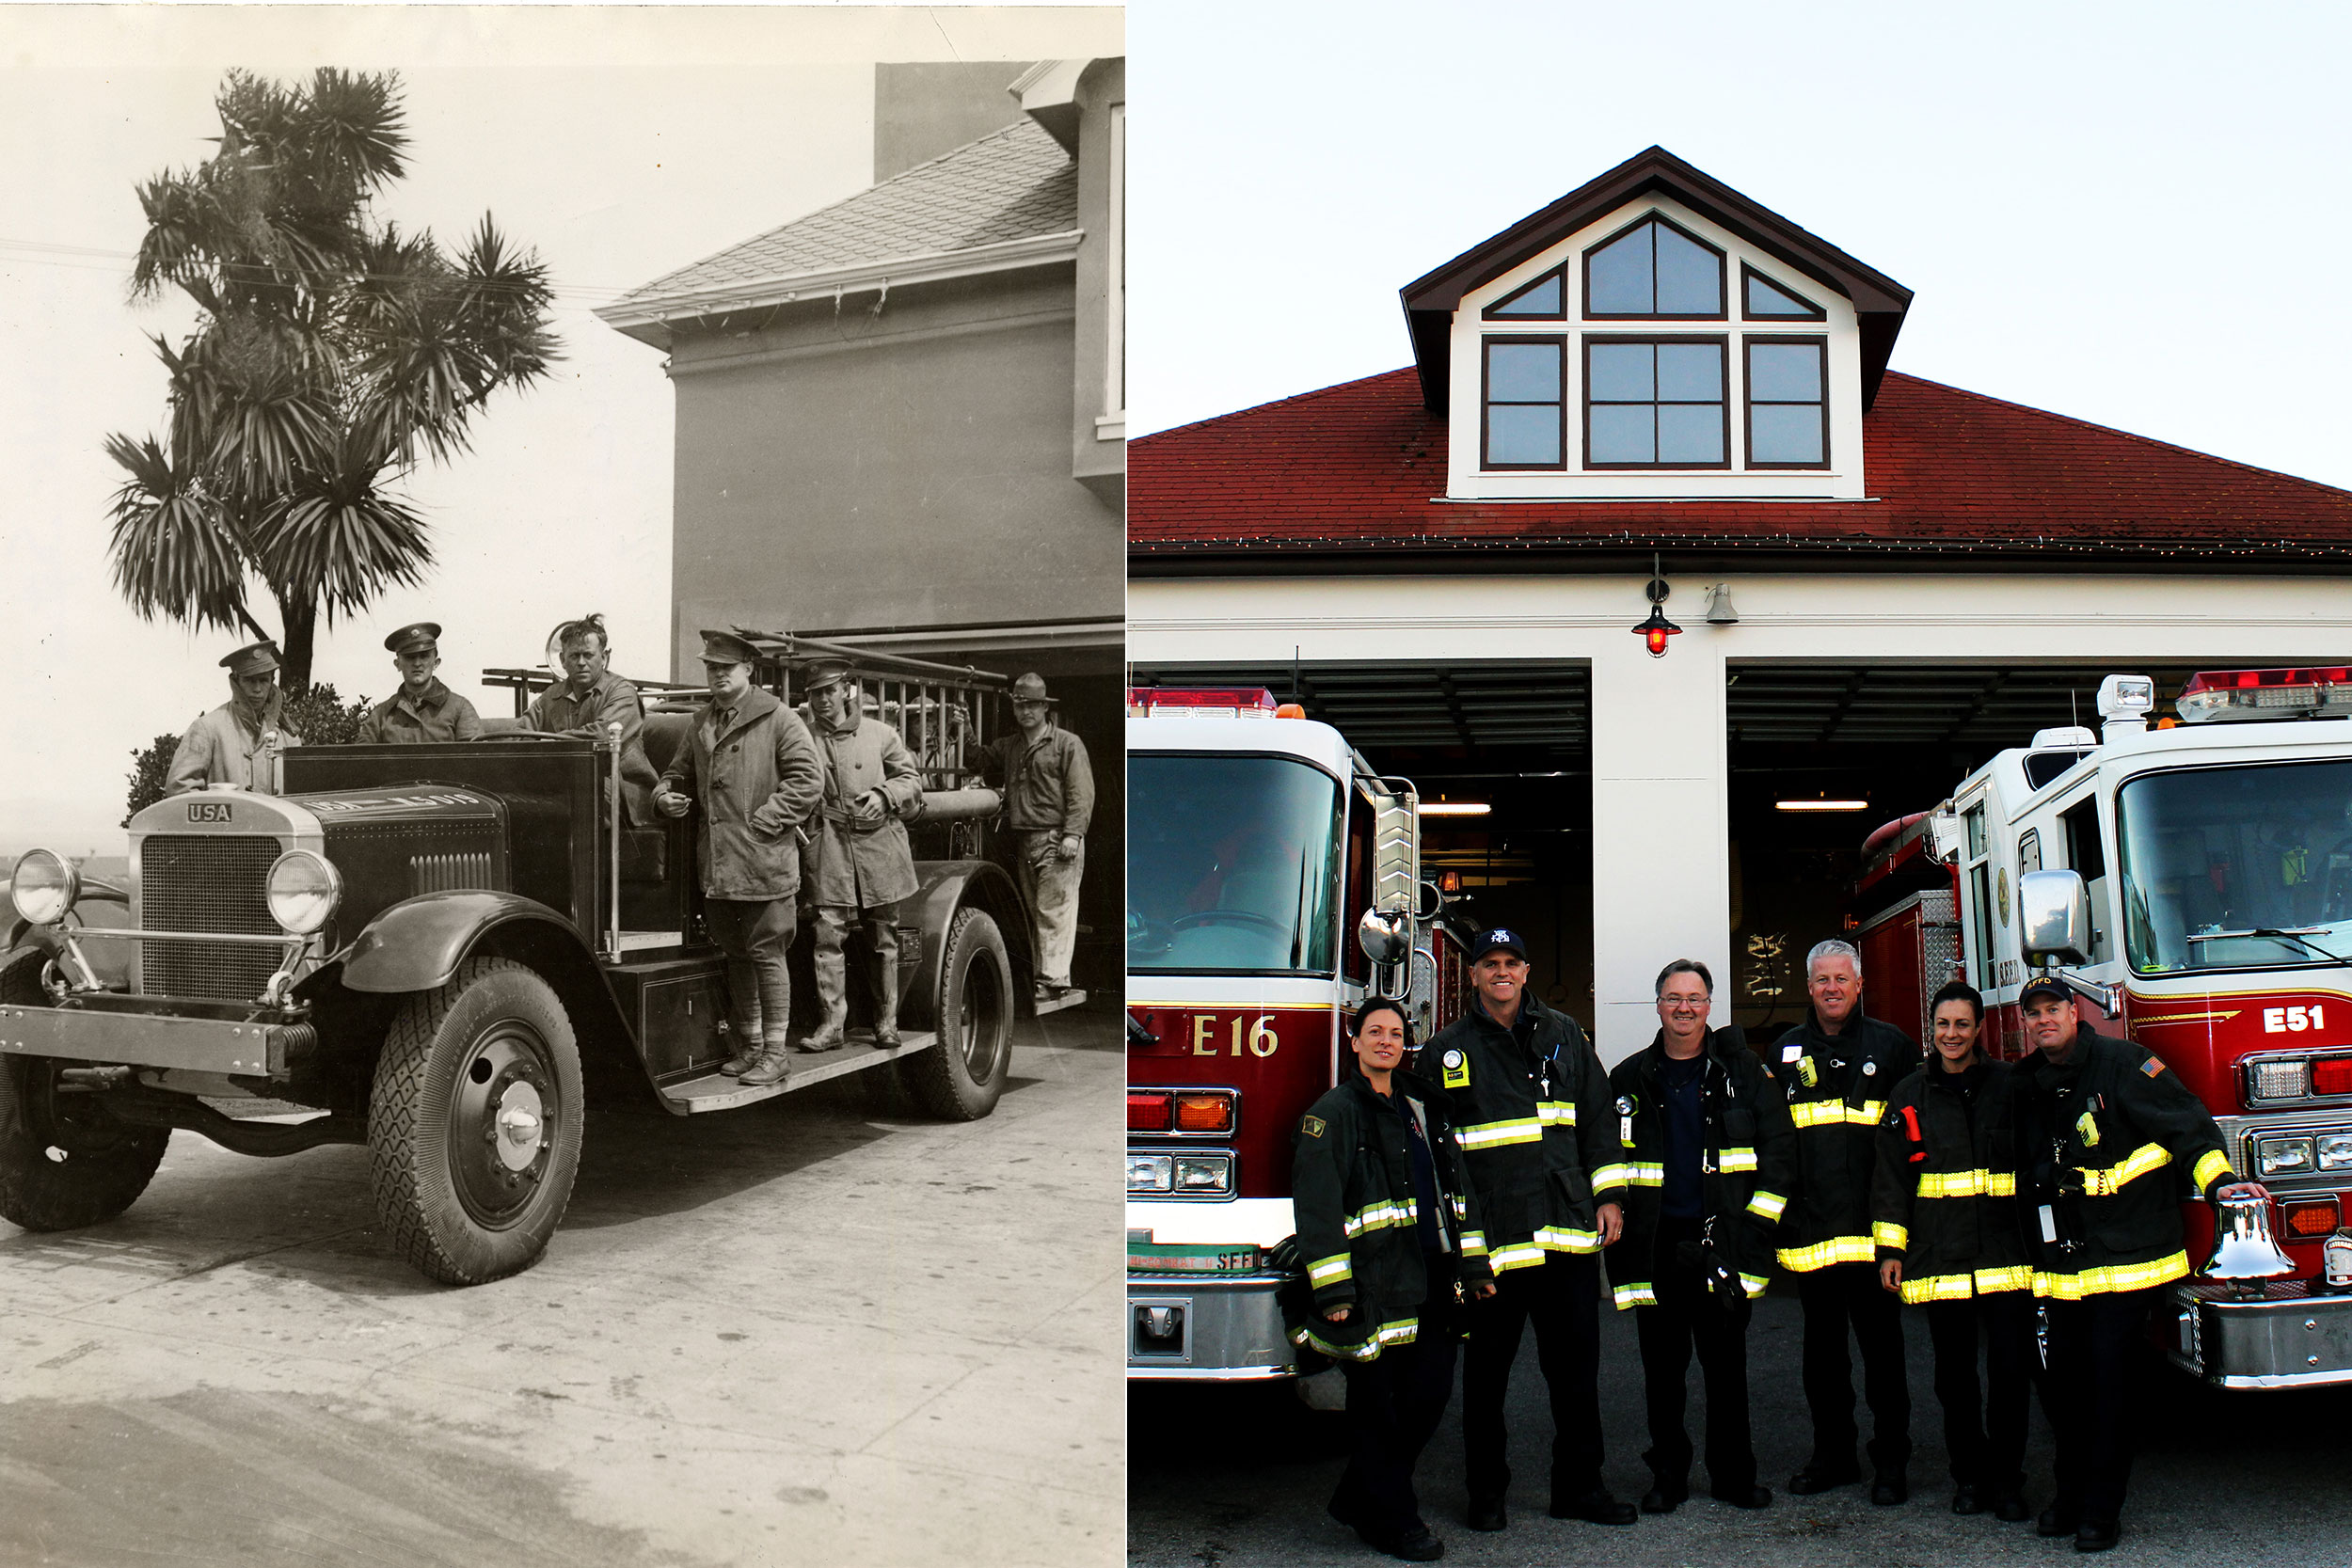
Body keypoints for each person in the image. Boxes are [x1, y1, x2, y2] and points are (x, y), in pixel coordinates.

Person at [2010, 974, 2266, 1553]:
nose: (2045, 1019)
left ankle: (2101, 1511)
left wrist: (2219, 1184)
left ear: (2077, 1014)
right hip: (2060, 1268)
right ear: (2024, 1023)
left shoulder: (2128, 1065)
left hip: (2129, 1264)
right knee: (2065, 1391)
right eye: (2035, 1013)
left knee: (2109, 1390)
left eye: (2055, 1009)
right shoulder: (2025, 1084)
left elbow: (2190, 1131)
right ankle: (2069, 1496)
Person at [1426, 929, 1634, 1533]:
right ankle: (1486, 1494)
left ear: (1525, 970)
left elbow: (1598, 1118)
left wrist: (1610, 1194)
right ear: (1472, 976)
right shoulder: (1446, 1051)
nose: (1501, 972)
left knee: (1575, 1375)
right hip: (1493, 1245)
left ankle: (1580, 1488)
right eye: (1489, 964)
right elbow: (1441, 1159)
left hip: (1566, 1235)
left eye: (1511, 962)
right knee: (1486, 1380)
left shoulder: (1564, 1034)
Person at [1292, 998, 1497, 1563]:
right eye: (1374, 1032)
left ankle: (1361, 1498)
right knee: (1376, 1409)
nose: (1386, 1041)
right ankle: (1394, 1521)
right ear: (1353, 1041)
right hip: (1372, 1285)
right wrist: (1334, 1292)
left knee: (1428, 1397)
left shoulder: (1422, 1105)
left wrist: (1474, 1268)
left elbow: (1460, 1193)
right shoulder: (1331, 1115)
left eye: (1396, 1033)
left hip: (1432, 1275)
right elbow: (1317, 1208)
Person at [1606, 958, 1792, 1514]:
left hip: (1723, 1246)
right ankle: (1668, 1476)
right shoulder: (1628, 1078)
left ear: (1710, 1006)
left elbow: (1780, 1157)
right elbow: (1606, 1157)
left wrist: (1757, 1226)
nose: (1683, 1007)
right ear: (1657, 1004)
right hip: (1657, 1246)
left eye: (1695, 997)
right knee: (1663, 1374)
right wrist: (1611, 1204)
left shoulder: (1744, 1074)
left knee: (1726, 1370)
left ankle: (1734, 1476)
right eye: (1672, 997)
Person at [1871, 980, 2035, 1522]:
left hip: (2006, 1255)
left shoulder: (2012, 1086)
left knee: (2011, 1376)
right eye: (1943, 1024)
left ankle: (2009, 1482)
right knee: (1955, 1379)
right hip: (1940, 1259)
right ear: (1931, 1028)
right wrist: (1890, 1251)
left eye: (1962, 1024)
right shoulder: (1907, 1095)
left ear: (1979, 1028)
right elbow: (1890, 1180)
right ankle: (1970, 1479)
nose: (1952, 1035)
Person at [1773, 938, 1917, 1503]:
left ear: (1859, 985)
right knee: (1822, 1361)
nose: (1831, 988)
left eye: (1842, 979)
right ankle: (1832, 1456)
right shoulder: (1784, 1052)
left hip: (1875, 1234)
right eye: (1821, 980)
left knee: (1885, 1357)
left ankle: (1891, 1463)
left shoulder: (1894, 1047)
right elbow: (1774, 1146)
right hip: (1813, 1237)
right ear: (1807, 988)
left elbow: (1913, 1144)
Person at [652, 631, 823, 1089]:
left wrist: (766, 820)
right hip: (720, 868)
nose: (717, 674)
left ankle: (774, 1052)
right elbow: (675, 773)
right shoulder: (701, 722)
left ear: (750, 668)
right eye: (711, 667)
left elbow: (809, 780)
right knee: (736, 955)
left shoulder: (779, 719)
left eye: (726, 667)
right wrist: (665, 796)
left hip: (764, 862)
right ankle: (749, 1047)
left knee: (767, 954)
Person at [794, 659, 922, 1053]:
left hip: (878, 844)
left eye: (830, 690)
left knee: (883, 935)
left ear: (846, 690)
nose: (823, 700)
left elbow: (912, 780)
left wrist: (884, 795)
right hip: (829, 842)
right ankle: (832, 1025)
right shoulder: (802, 737)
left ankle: (887, 1022)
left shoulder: (881, 734)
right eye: (816, 693)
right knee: (827, 933)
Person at [980, 673, 1091, 1003]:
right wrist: (964, 728)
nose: (1025, 711)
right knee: (1037, 910)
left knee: (1052, 910)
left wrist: (1073, 834)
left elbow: (1081, 793)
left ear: (1045, 707)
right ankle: (1047, 978)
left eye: (1032, 705)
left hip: (1058, 838)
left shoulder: (1067, 743)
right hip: (1027, 839)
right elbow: (980, 758)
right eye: (1020, 704)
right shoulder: (1012, 745)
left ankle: (1053, 979)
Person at [527, 613, 659, 824]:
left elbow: (602, 735)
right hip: (568, 781)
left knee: (577, 797)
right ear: (562, 659)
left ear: (604, 657)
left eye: (588, 655)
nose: (581, 663)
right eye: (574, 655)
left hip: (623, 787)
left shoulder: (622, 691)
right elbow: (522, 732)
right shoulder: (551, 696)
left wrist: (548, 743)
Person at [165, 641, 303, 795]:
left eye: (263, 680)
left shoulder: (287, 736)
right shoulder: (208, 728)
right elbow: (180, 789)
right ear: (236, 681)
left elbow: (302, 793)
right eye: (250, 680)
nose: (257, 689)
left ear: (272, 682)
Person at [355, 623, 484, 743]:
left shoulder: (459, 708)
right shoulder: (381, 715)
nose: (417, 663)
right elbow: (361, 761)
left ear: (436, 663)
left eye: (424, 656)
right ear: (397, 664)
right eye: (410, 657)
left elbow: (476, 761)